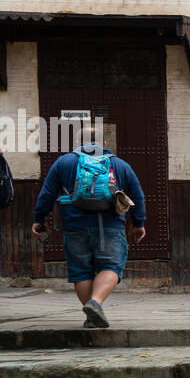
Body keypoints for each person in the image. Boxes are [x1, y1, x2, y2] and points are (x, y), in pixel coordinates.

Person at [30, 130, 146, 328]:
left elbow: (47, 193)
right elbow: (137, 194)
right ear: (103, 142)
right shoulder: (119, 164)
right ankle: (96, 303)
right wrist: (139, 223)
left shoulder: (64, 162)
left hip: (74, 226)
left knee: (81, 272)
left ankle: (91, 314)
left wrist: (38, 219)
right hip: (109, 226)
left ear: (77, 141)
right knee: (111, 266)